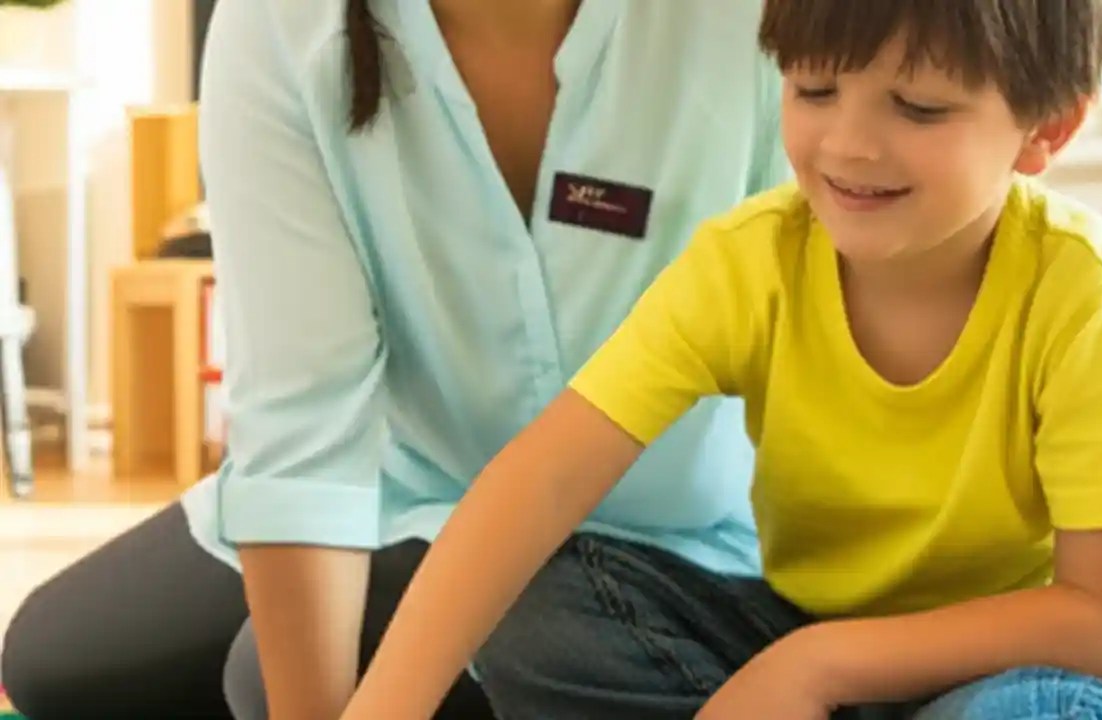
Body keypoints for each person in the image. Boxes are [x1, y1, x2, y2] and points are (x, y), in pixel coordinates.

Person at [336, 0, 1102, 718]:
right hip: (811, 629)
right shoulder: (750, 261)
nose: (849, 145)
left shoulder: (1087, 289)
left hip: (1031, 671)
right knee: (542, 609)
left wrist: (814, 666)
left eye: (918, 108)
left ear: (1047, 126)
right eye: (814, 89)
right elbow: (544, 479)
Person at [0, 0, 791, 718]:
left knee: (264, 675)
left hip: (680, 529)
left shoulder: (745, 26)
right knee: (53, 663)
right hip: (415, 486)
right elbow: (302, 433)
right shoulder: (282, 24)